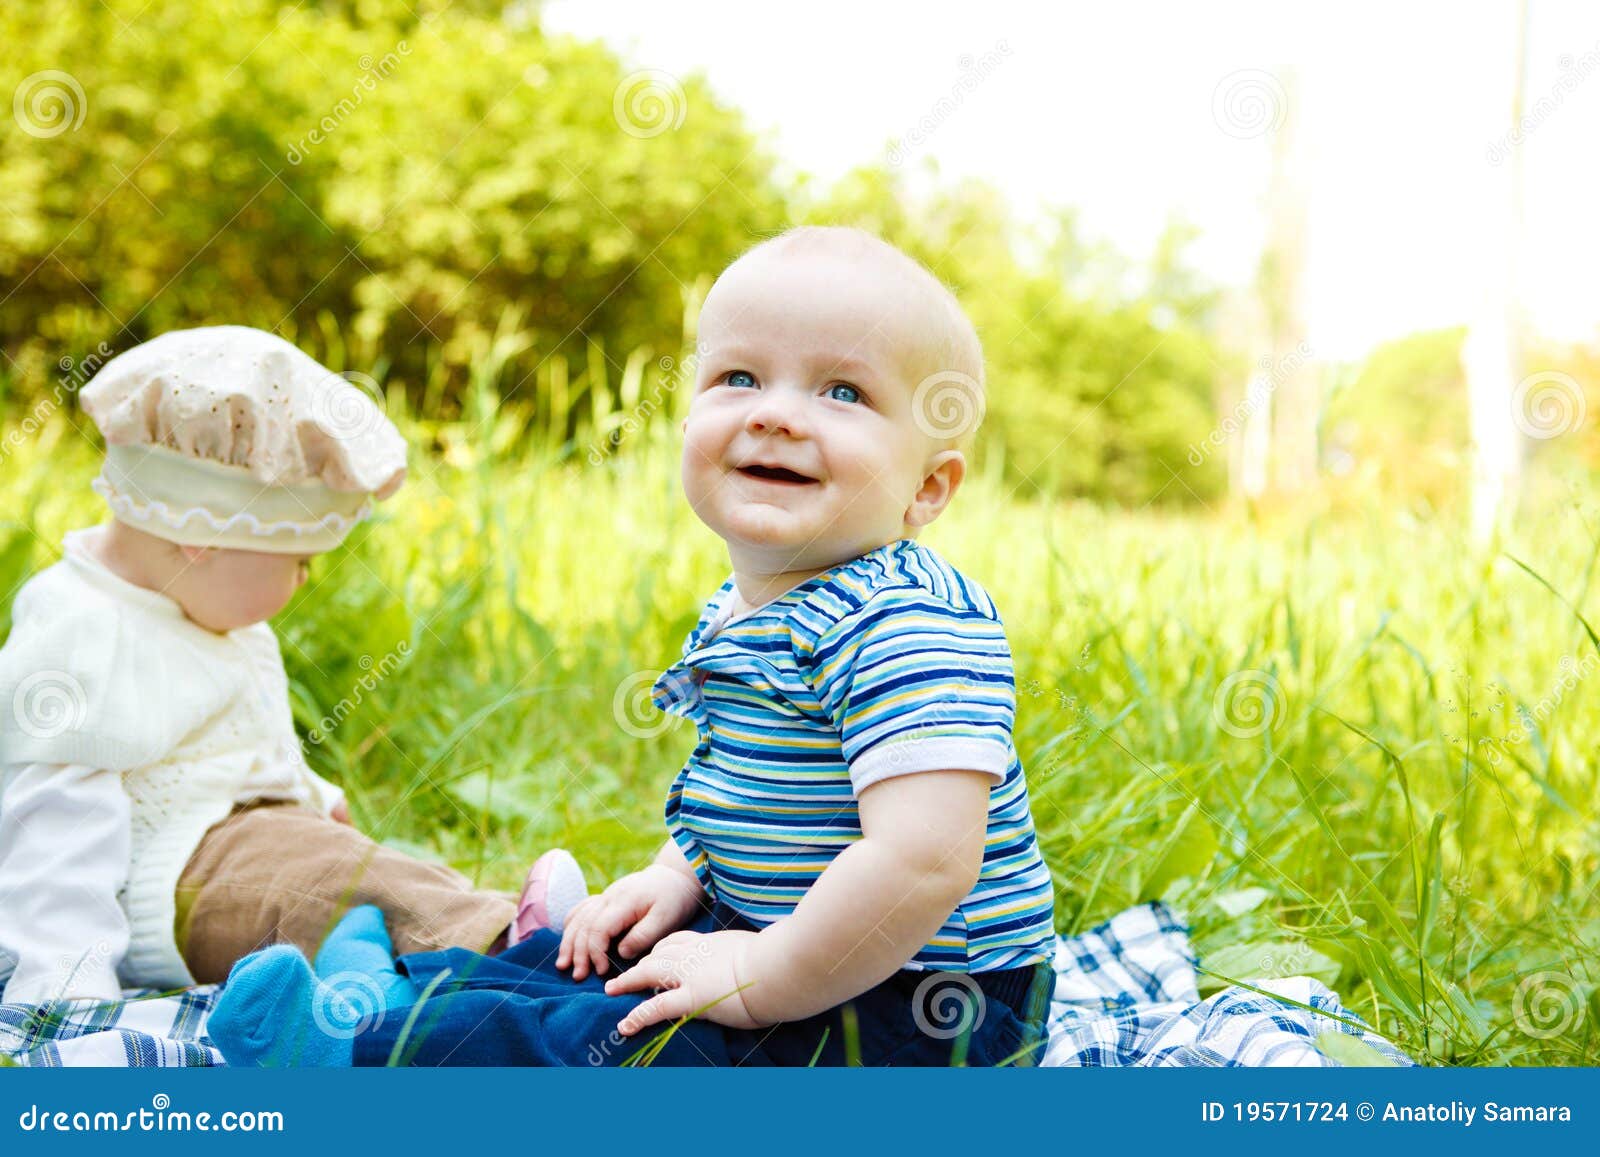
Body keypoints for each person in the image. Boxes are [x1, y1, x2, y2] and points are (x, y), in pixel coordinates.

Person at [209, 228, 1056, 1067]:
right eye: (739, 377)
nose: (772, 413)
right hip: (778, 935)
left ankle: (346, 1056)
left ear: (928, 487)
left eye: (843, 391)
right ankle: (382, 996)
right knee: (583, 964)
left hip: (917, 1000)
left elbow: (923, 861)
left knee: (627, 1042)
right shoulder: (751, 603)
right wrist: (678, 876)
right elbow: (749, 789)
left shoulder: (908, 622)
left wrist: (759, 975)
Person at [0, 326, 586, 1008]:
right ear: (204, 537)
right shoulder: (85, 629)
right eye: (298, 561)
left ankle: (470, 954)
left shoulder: (205, 610)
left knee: (365, 874)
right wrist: (64, 984)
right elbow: (54, 821)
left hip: (250, 849)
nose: (304, 579)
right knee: (341, 881)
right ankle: (509, 946)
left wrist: (311, 792)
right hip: (170, 882)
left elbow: (239, 741)